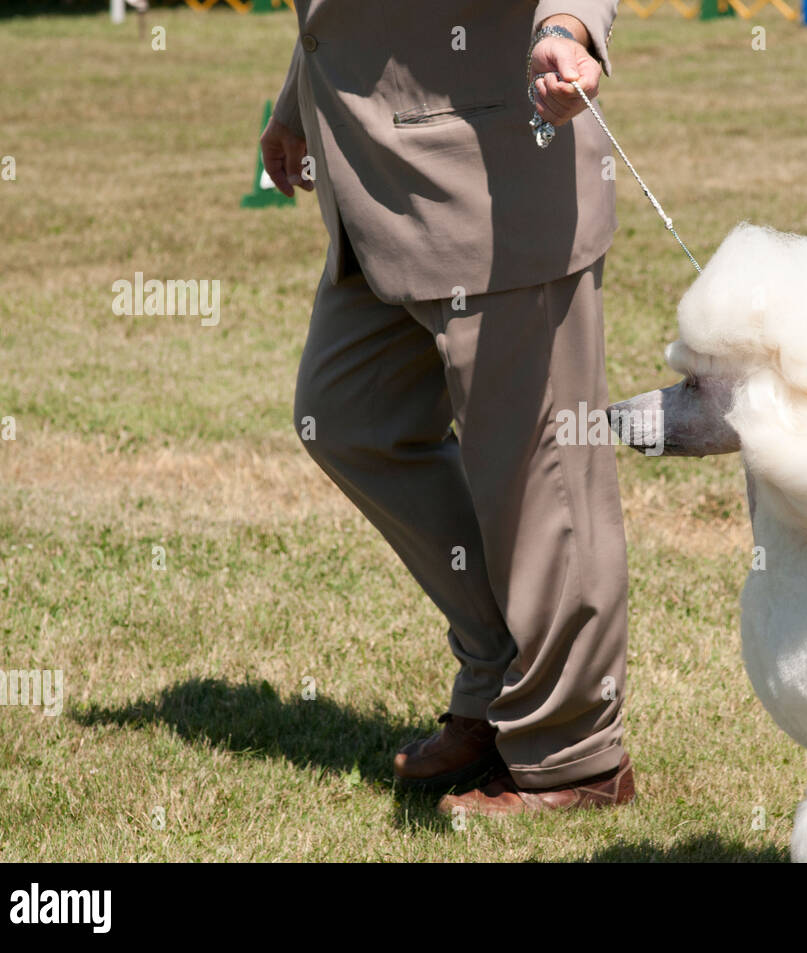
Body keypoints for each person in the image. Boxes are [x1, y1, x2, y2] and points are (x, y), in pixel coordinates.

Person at [259, 1, 633, 817]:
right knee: (348, 417)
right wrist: (298, 102)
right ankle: (506, 668)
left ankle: (574, 755)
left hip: (496, 176)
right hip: (373, 185)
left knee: (542, 485)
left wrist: (567, 30)